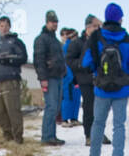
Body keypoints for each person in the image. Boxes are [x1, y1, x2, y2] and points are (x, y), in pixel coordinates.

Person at [83, 2, 129, 156]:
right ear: (119, 19)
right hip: (121, 90)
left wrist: (97, 72)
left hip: (101, 89)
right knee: (119, 125)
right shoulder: (128, 39)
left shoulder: (96, 37)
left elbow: (87, 62)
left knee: (98, 122)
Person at [0, 15, 27, 144]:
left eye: (6, 25)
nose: (3, 28)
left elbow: (23, 58)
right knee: (1, 111)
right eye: (1, 26)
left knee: (13, 110)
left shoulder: (16, 42)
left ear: (10, 26)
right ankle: (7, 136)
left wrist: (9, 60)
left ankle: (18, 138)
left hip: (11, 79)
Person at [67, 14, 103, 145]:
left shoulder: (101, 42)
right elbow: (70, 59)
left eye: (99, 26)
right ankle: (89, 135)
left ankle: (99, 133)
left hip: (100, 80)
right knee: (89, 107)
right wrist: (82, 65)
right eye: (96, 26)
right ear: (88, 27)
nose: (98, 28)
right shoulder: (77, 43)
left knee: (100, 108)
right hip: (85, 80)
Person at [33, 10, 66, 145]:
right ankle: (46, 137)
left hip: (58, 76)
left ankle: (52, 135)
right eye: (52, 22)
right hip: (49, 77)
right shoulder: (41, 39)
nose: (55, 25)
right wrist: (43, 78)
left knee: (56, 107)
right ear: (47, 23)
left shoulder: (55, 40)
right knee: (51, 106)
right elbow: (39, 60)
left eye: (56, 22)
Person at [59, 28, 81, 126]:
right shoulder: (66, 46)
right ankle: (64, 119)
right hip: (68, 77)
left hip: (76, 76)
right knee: (68, 98)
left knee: (76, 98)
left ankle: (73, 118)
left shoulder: (75, 45)